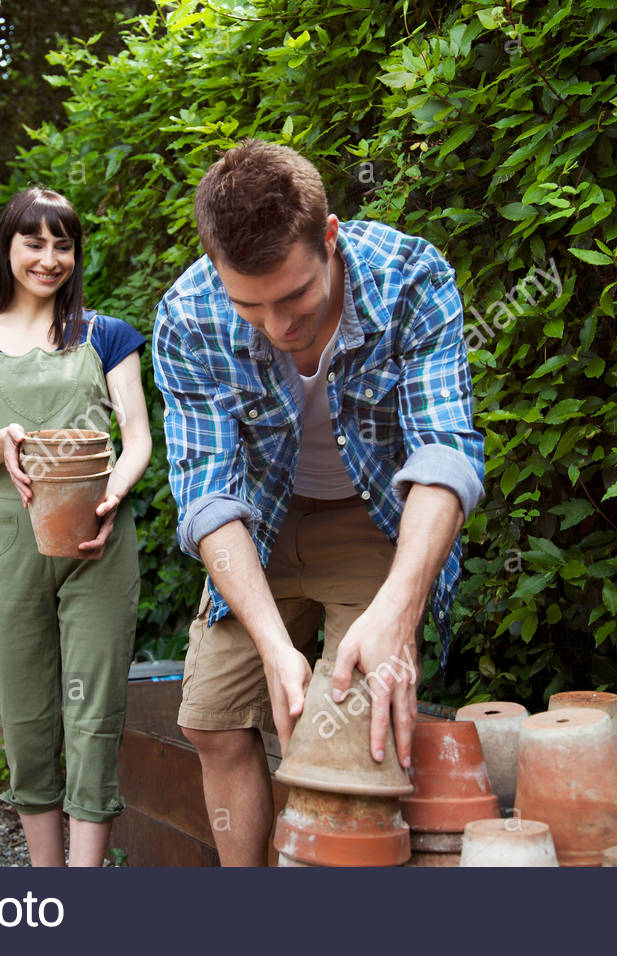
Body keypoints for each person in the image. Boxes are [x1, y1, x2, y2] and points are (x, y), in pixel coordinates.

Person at [152, 140, 485, 865]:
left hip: (370, 522)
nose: (278, 326)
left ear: (328, 238)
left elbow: (445, 452)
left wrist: (400, 610)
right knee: (212, 720)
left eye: (295, 295)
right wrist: (273, 647)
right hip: (258, 529)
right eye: (250, 304)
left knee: (352, 732)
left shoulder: (410, 277)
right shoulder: (187, 317)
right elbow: (208, 492)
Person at [0, 186, 150, 867]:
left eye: (62, 244)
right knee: (25, 720)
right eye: (34, 242)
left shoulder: (104, 335)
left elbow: (137, 438)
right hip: (10, 545)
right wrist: (7, 441)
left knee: (94, 714)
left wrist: (111, 495)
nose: (49, 258)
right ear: (8, 246)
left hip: (99, 544)